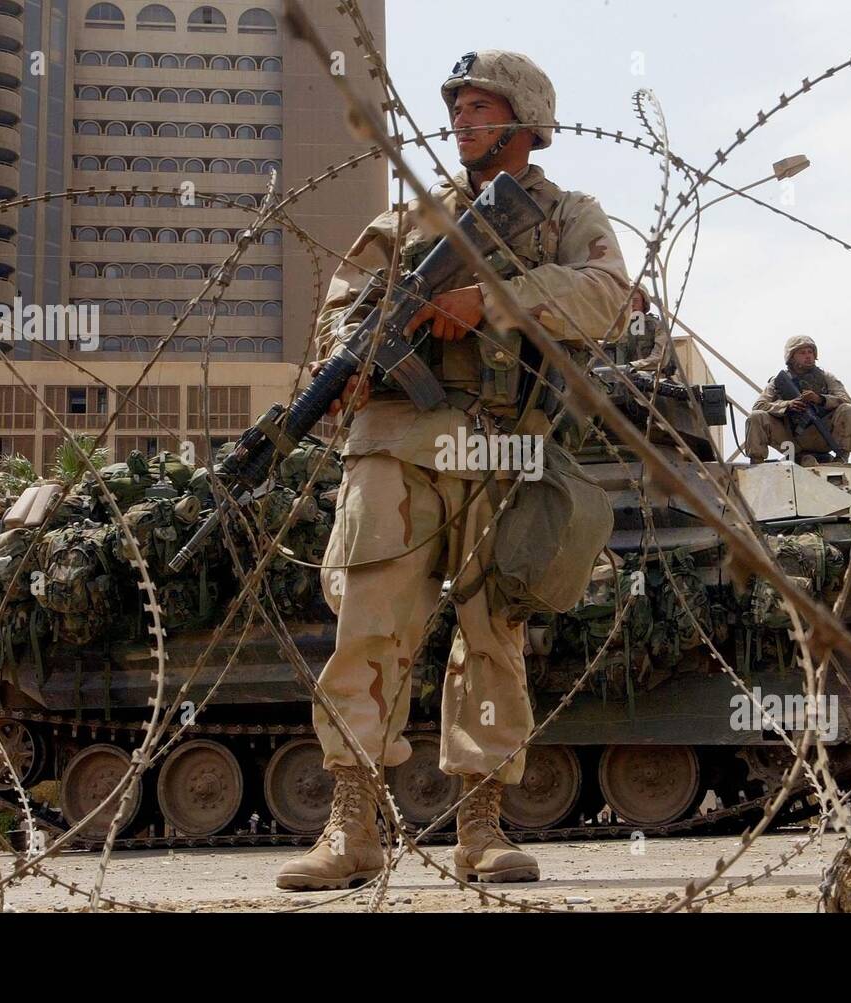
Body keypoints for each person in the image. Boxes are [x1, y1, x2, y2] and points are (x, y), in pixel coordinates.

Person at [275, 51, 630, 891]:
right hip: (395, 444)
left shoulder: (566, 216)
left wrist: (490, 303)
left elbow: (607, 293)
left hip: (503, 451)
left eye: (480, 107)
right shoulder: (409, 222)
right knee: (369, 627)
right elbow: (342, 308)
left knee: (491, 640)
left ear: (525, 122)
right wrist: (347, 362)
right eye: (458, 107)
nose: (461, 121)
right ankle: (352, 825)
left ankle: (481, 828)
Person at [744, 335, 851, 465]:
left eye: (810, 352)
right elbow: (759, 405)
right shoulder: (779, 381)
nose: (808, 356)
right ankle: (757, 462)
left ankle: (841, 458)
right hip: (790, 439)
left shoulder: (825, 377)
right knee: (756, 416)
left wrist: (820, 399)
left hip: (821, 435)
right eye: (802, 353)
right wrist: (787, 405)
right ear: (791, 357)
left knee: (848, 410)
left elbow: (846, 400)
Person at [614, 285, 677, 376]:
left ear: (644, 302)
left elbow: (660, 358)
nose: (631, 304)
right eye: (628, 300)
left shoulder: (658, 325)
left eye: (635, 300)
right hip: (622, 380)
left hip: (652, 381)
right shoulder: (619, 328)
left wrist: (632, 366)